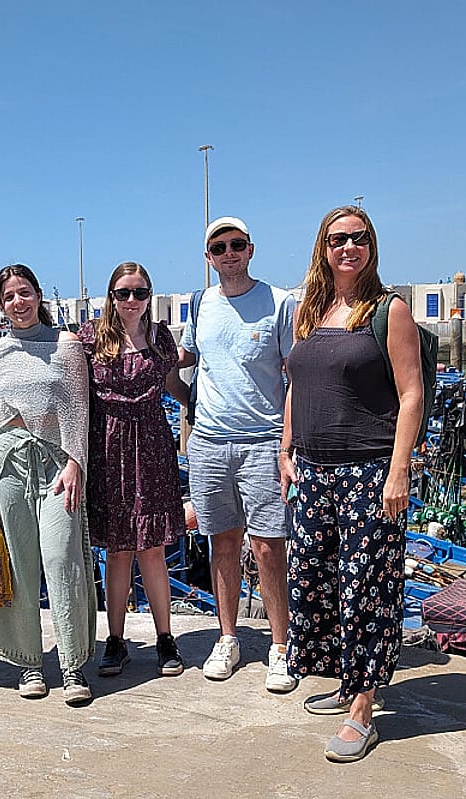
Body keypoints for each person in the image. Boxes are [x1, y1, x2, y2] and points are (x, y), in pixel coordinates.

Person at [279, 206, 421, 763]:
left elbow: (411, 394)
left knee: (368, 587)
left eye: (359, 239)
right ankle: (346, 680)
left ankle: (365, 708)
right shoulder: (309, 311)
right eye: (338, 239)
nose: (348, 247)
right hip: (312, 470)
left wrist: (398, 469)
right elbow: (296, 385)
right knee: (318, 581)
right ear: (323, 247)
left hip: (368, 470)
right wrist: (286, 447)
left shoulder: (391, 310)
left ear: (372, 246)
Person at [177, 216, 297, 691]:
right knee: (220, 543)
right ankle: (227, 638)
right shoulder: (200, 303)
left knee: (269, 547)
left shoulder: (280, 303)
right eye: (219, 247)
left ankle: (280, 646)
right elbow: (183, 359)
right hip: (207, 444)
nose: (228, 253)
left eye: (236, 245)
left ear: (251, 250)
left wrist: (287, 444)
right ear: (209, 258)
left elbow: (293, 376)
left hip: (263, 443)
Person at [0, 264, 96, 706]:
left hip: (56, 465)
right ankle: (28, 663)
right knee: (20, 566)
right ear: (1, 304)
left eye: (24, 293)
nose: (18, 303)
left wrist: (75, 462)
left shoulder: (66, 346)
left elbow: (78, 412)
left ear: (38, 295)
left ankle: (72, 663)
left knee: (63, 559)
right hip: (9, 465)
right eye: (9, 297)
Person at [78, 262, 186, 678]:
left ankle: (165, 638)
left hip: (153, 447)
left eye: (140, 293)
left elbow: (172, 384)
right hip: (108, 447)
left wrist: (198, 402)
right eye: (123, 293)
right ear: (111, 296)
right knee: (118, 550)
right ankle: (116, 639)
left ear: (149, 295)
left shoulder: (161, 336)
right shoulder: (90, 338)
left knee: (152, 549)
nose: (131, 301)